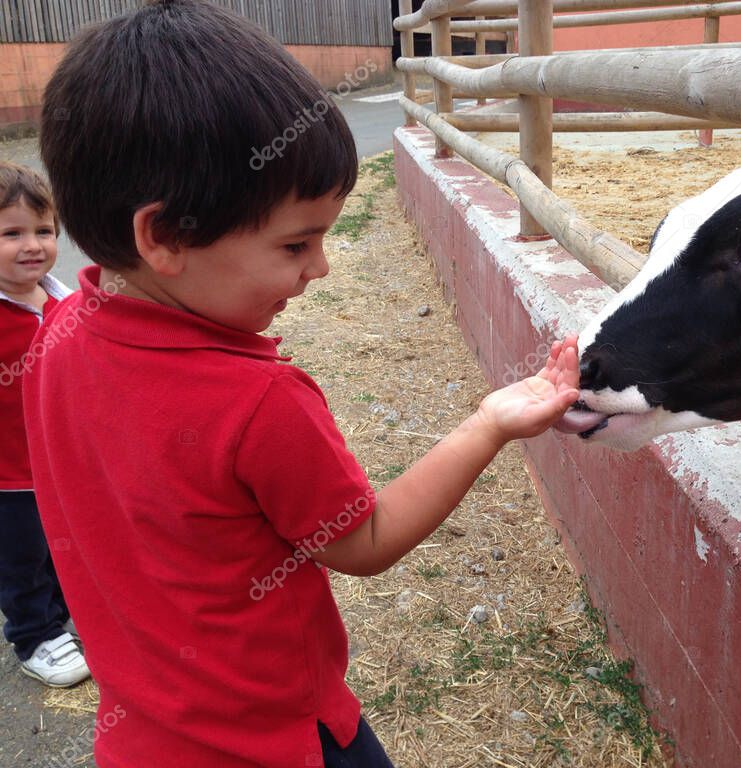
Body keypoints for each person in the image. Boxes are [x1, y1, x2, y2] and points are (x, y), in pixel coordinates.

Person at [27, 2, 579, 766]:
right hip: (281, 739)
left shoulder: (54, 338)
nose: (319, 268)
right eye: (296, 243)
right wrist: (487, 424)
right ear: (164, 237)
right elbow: (366, 540)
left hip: (143, 738)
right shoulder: (257, 402)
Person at [0, 161, 90, 688]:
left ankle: (60, 616)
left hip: (60, 462)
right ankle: (34, 635)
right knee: (22, 558)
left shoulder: (66, 301)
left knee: (59, 543)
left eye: (43, 231)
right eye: (11, 233)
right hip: (9, 475)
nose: (32, 244)